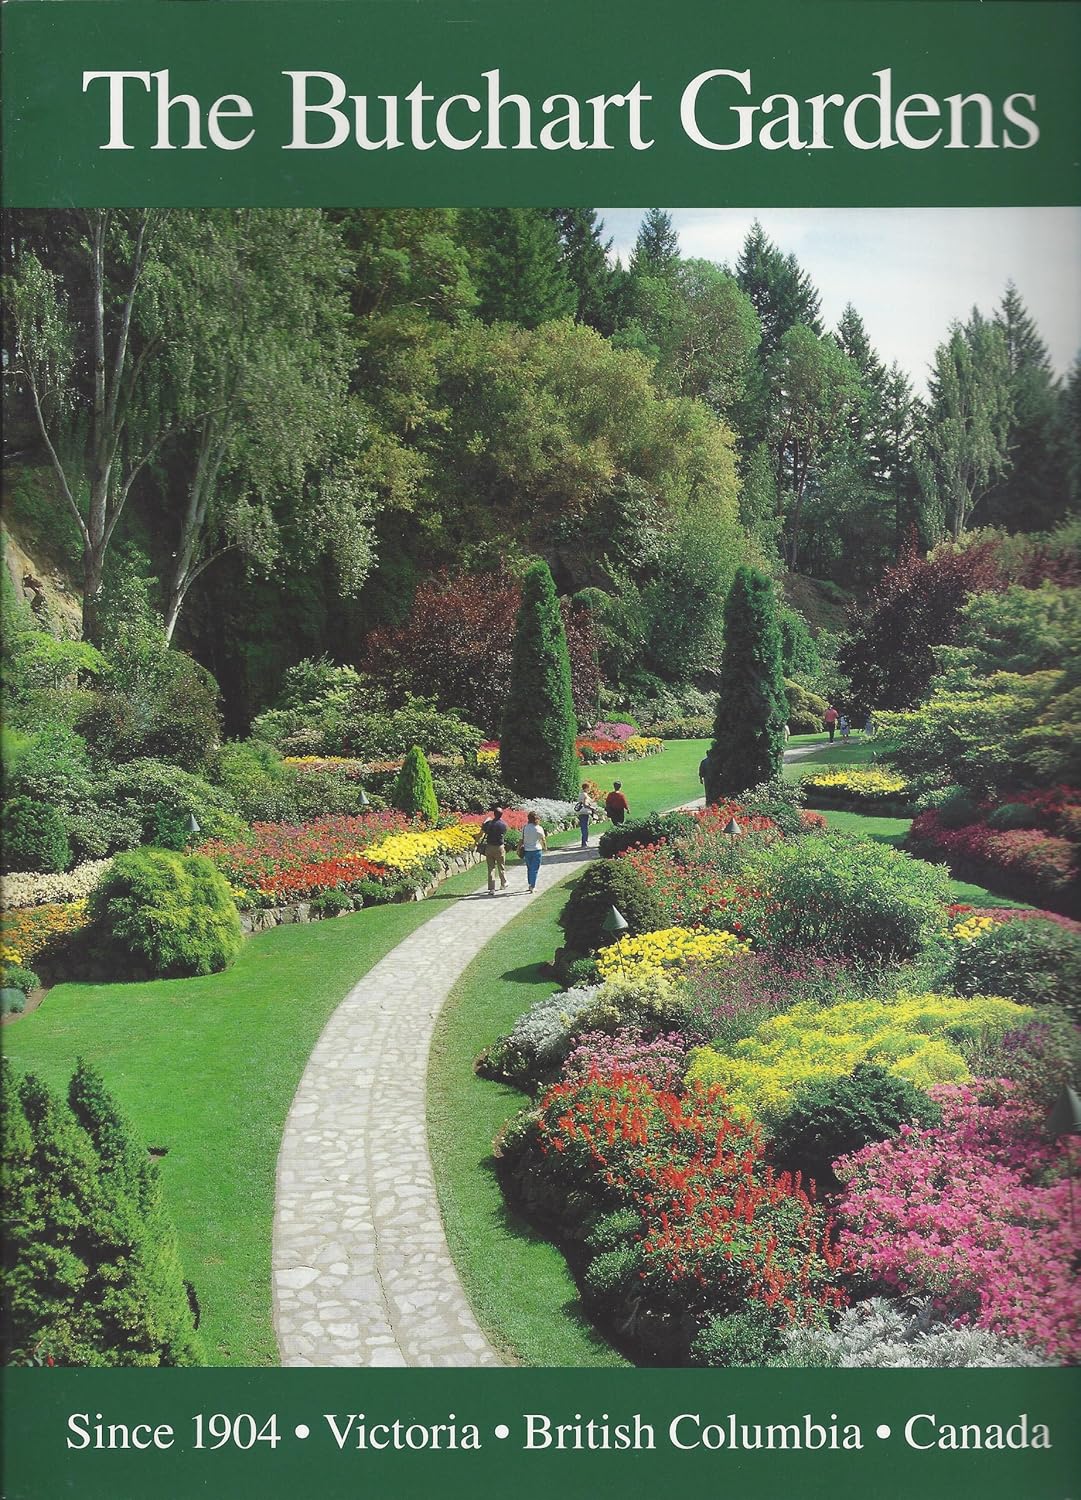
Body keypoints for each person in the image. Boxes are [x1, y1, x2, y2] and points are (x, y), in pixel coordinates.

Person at [479, 805, 508, 894]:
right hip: (499, 847)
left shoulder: (489, 823)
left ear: (494, 814)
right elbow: (504, 832)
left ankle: (492, 888)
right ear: (501, 815)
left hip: (489, 847)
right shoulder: (503, 824)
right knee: (501, 866)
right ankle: (503, 883)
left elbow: (482, 830)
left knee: (491, 868)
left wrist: (486, 821)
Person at [520, 810, 548, 893]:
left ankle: (530, 884)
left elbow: (522, 839)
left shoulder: (525, 827)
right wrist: (545, 848)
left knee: (529, 868)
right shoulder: (538, 828)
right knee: (535, 869)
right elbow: (543, 839)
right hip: (536, 850)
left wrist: (518, 849)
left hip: (527, 850)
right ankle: (533, 886)